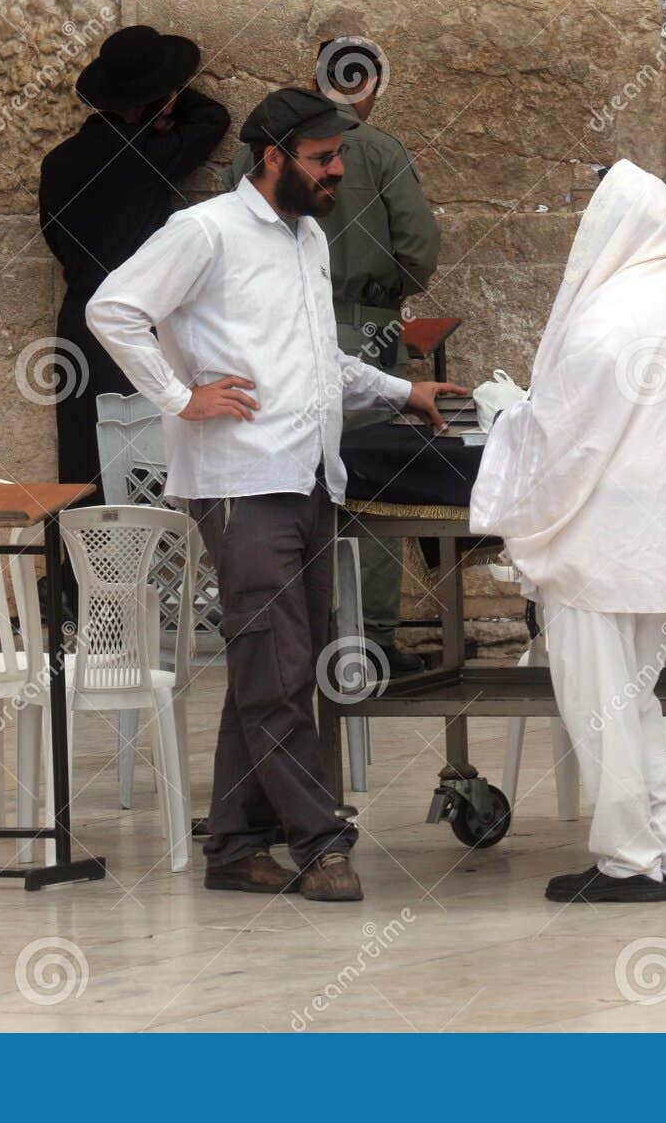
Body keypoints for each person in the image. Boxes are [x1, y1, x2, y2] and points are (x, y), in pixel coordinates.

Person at [87, 87, 466, 902]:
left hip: (308, 478)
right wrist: (179, 396)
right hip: (241, 483)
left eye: (339, 157)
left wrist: (404, 392)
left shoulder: (307, 239)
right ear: (272, 158)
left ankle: (233, 844)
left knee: (282, 668)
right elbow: (113, 308)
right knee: (278, 667)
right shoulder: (204, 231)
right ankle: (322, 839)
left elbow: (320, 359)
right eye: (324, 159)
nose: (337, 172)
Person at [471, 160, 666, 903]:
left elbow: (566, 435)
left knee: (600, 704)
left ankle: (629, 861)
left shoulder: (614, 311)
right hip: (665, 550)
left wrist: (504, 419)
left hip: (600, 545)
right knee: (639, 699)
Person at [223, 36, 440, 677]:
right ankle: (369, 638)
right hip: (366, 327)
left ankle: (299, 633)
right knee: (372, 487)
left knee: (291, 488)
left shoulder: (255, 154)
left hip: (279, 328)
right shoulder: (384, 150)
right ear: (372, 85)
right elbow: (417, 247)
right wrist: (379, 291)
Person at [39, 24, 230, 500]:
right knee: (146, 458)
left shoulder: (58, 161)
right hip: (136, 325)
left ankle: (83, 567)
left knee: (84, 453)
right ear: (156, 100)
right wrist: (169, 103)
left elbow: (56, 241)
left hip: (80, 321)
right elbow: (213, 119)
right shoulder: (145, 155)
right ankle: (148, 568)